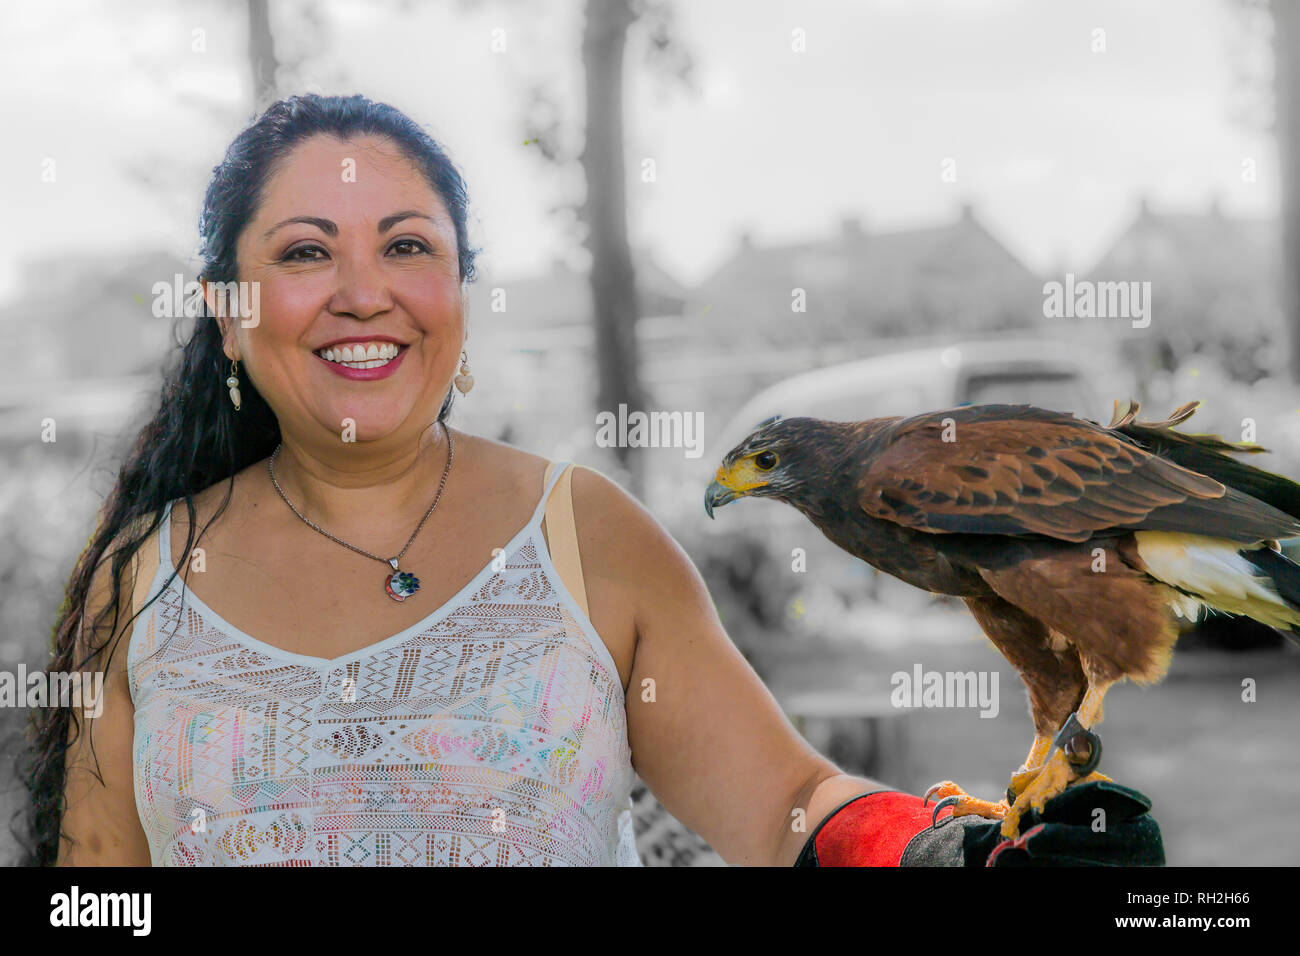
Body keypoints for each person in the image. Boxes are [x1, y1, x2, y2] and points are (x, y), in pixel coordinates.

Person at [22, 94, 1161, 867]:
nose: (363, 291)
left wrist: (939, 851)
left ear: (460, 298)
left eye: (408, 245)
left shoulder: (583, 534)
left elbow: (783, 804)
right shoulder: (142, 583)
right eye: (306, 251)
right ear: (228, 314)